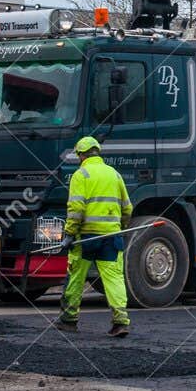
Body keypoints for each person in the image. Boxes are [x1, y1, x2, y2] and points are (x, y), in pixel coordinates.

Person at [56, 136, 132, 337]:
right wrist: (121, 225)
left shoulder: (81, 175)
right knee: (114, 278)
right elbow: (127, 207)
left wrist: (69, 234)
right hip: (111, 236)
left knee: (76, 278)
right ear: (97, 152)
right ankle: (120, 322)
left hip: (85, 238)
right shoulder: (114, 175)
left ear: (81, 155)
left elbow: (76, 209)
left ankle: (69, 320)